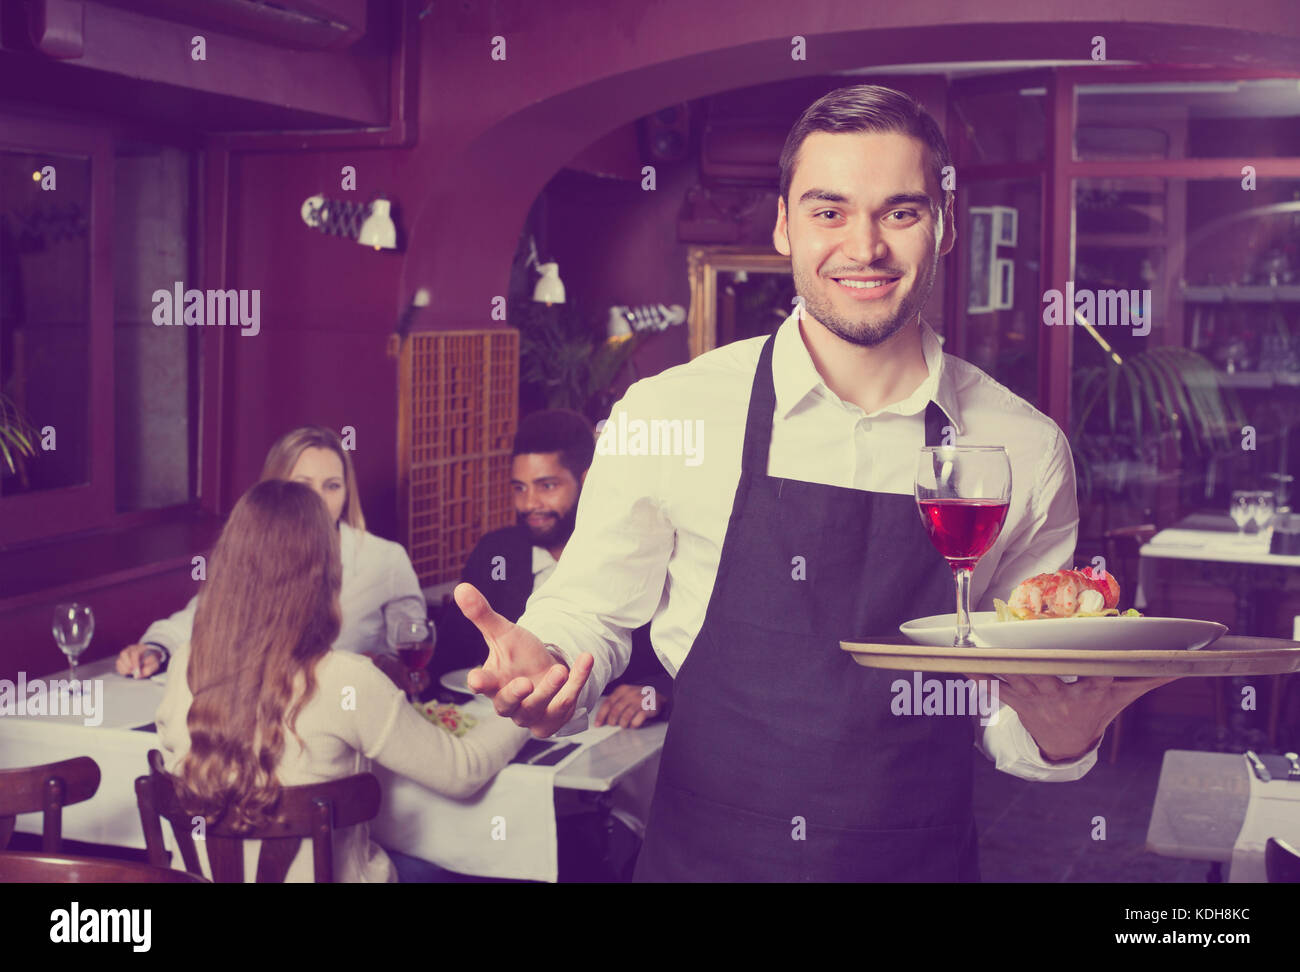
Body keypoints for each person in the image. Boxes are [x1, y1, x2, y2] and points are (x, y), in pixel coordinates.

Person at [453, 84, 1176, 882]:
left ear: (944, 229)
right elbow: (591, 608)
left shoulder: (1024, 449)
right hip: (707, 862)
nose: (863, 247)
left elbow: (1006, 702)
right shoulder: (670, 412)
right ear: (783, 226)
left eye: (900, 212)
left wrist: (1061, 729)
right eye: (828, 210)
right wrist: (549, 655)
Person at [154, 479, 530, 883]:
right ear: (326, 573)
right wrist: (523, 700)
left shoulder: (185, 665)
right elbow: (463, 772)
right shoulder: (346, 679)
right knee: (452, 868)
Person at [117, 426, 426, 682]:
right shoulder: (251, 553)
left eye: (332, 486)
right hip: (263, 722)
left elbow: (412, 663)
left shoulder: (385, 560)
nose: (317, 500)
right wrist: (154, 649)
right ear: (276, 491)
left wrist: (380, 666)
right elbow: (198, 621)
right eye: (303, 485)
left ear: (346, 494)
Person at [434, 408, 671, 728]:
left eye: (547, 486)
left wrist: (658, 691)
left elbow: (693, 657)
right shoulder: (495, 553)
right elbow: (449, 662)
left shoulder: (639, 548)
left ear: (589, 481)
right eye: (520, 488)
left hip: (619, 737)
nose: (530, 503)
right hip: (505, 735)